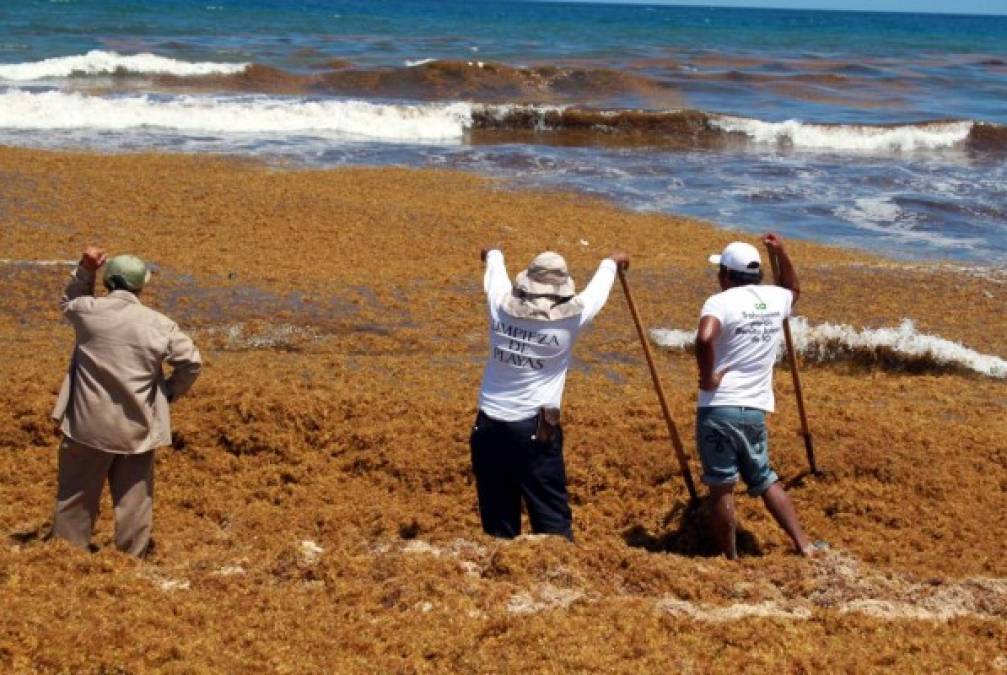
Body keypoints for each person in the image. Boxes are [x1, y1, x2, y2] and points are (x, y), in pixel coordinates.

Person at [50, 246, 202, 556]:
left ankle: (69, 555)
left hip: (86, 425)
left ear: (108, 282)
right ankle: (130, 560)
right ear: (142, 286)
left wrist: (86, 269)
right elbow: (191, 363)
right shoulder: (160, 325)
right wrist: (168, 391)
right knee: (134, 502)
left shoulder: (88, 312)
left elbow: (68, 300)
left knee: (75, 498)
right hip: (137, 429)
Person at [471, 247, 629, 540]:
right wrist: (611, 262)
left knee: (498, 527)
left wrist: (492, 253)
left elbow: (495, 270)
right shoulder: (570, 319)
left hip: (487, 427)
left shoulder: (499, 305)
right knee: (552, 523)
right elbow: (597, 291)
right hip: (534, 430)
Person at [694, 233, 820, 559]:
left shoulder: (720, 302)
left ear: (725, 274)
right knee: (764, 478)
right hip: (753, 409)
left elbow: (704, 338)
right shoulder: (775, 298)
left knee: (721, 486)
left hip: (718, 408)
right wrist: (782, 252)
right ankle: (804, 544)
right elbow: (794, 289)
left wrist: (708, 377)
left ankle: (729, 558)